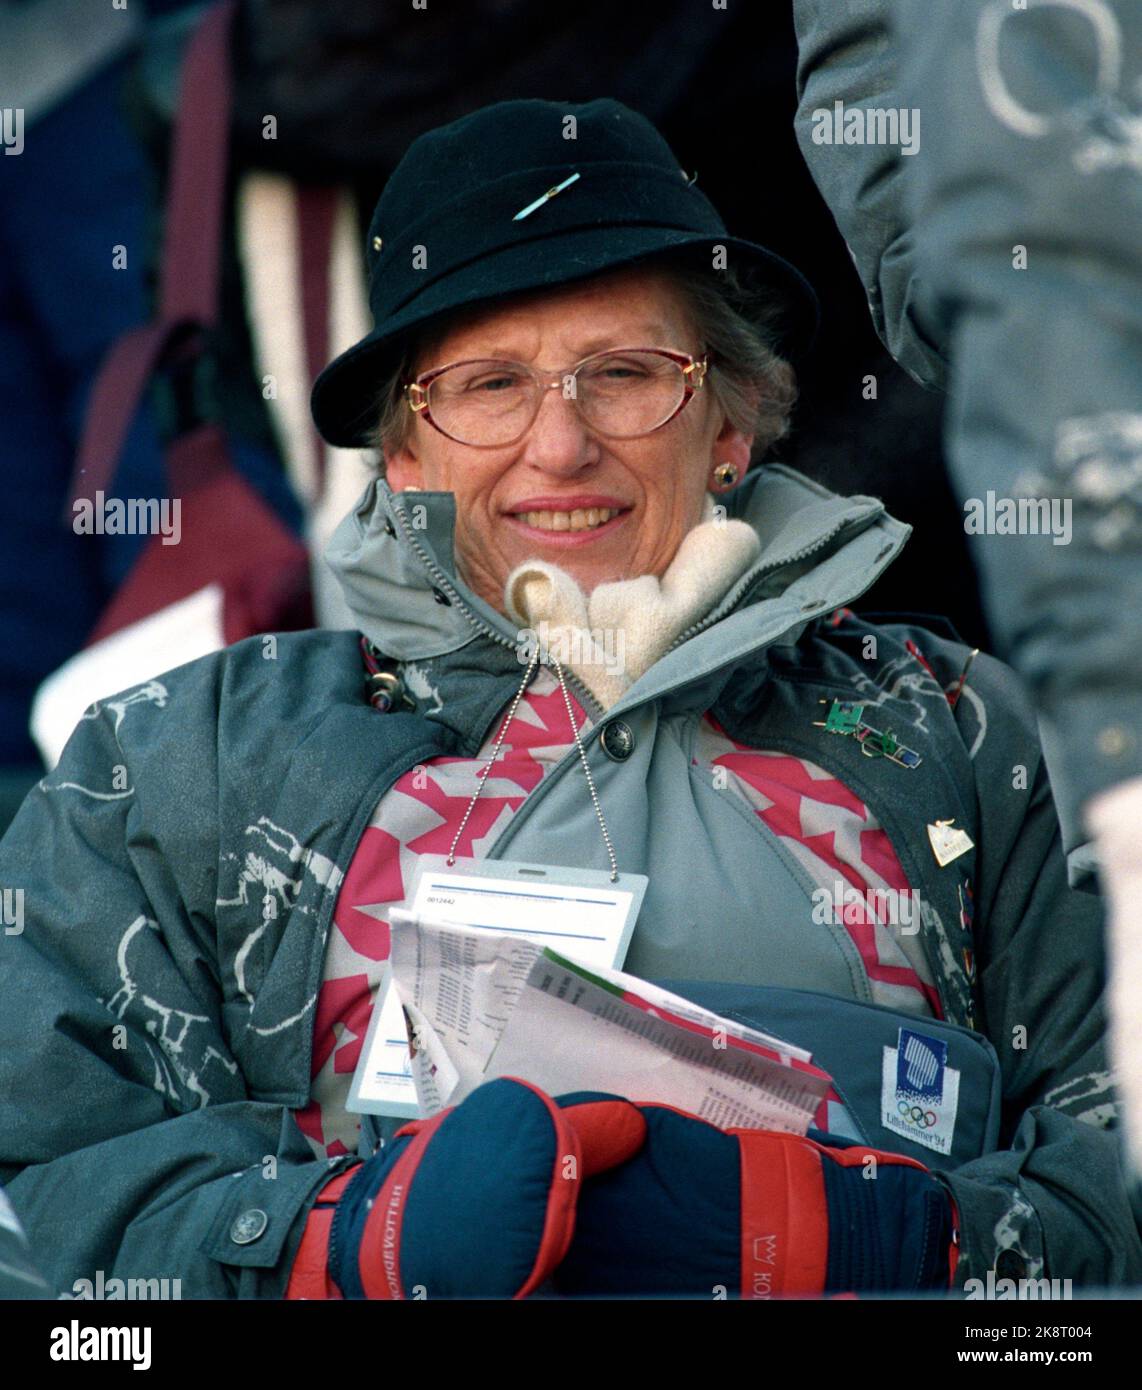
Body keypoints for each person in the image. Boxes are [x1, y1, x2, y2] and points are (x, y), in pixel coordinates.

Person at [0, 97, 1137, 1300]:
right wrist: (352, 1243)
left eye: (627, 374)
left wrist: (877, 1238)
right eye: (490, 385)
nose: (560, 445)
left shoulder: (963, 729)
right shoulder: (182, 753)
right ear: (404, 456)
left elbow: (1111, 1184)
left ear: (729, 425)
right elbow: (48, 1212)